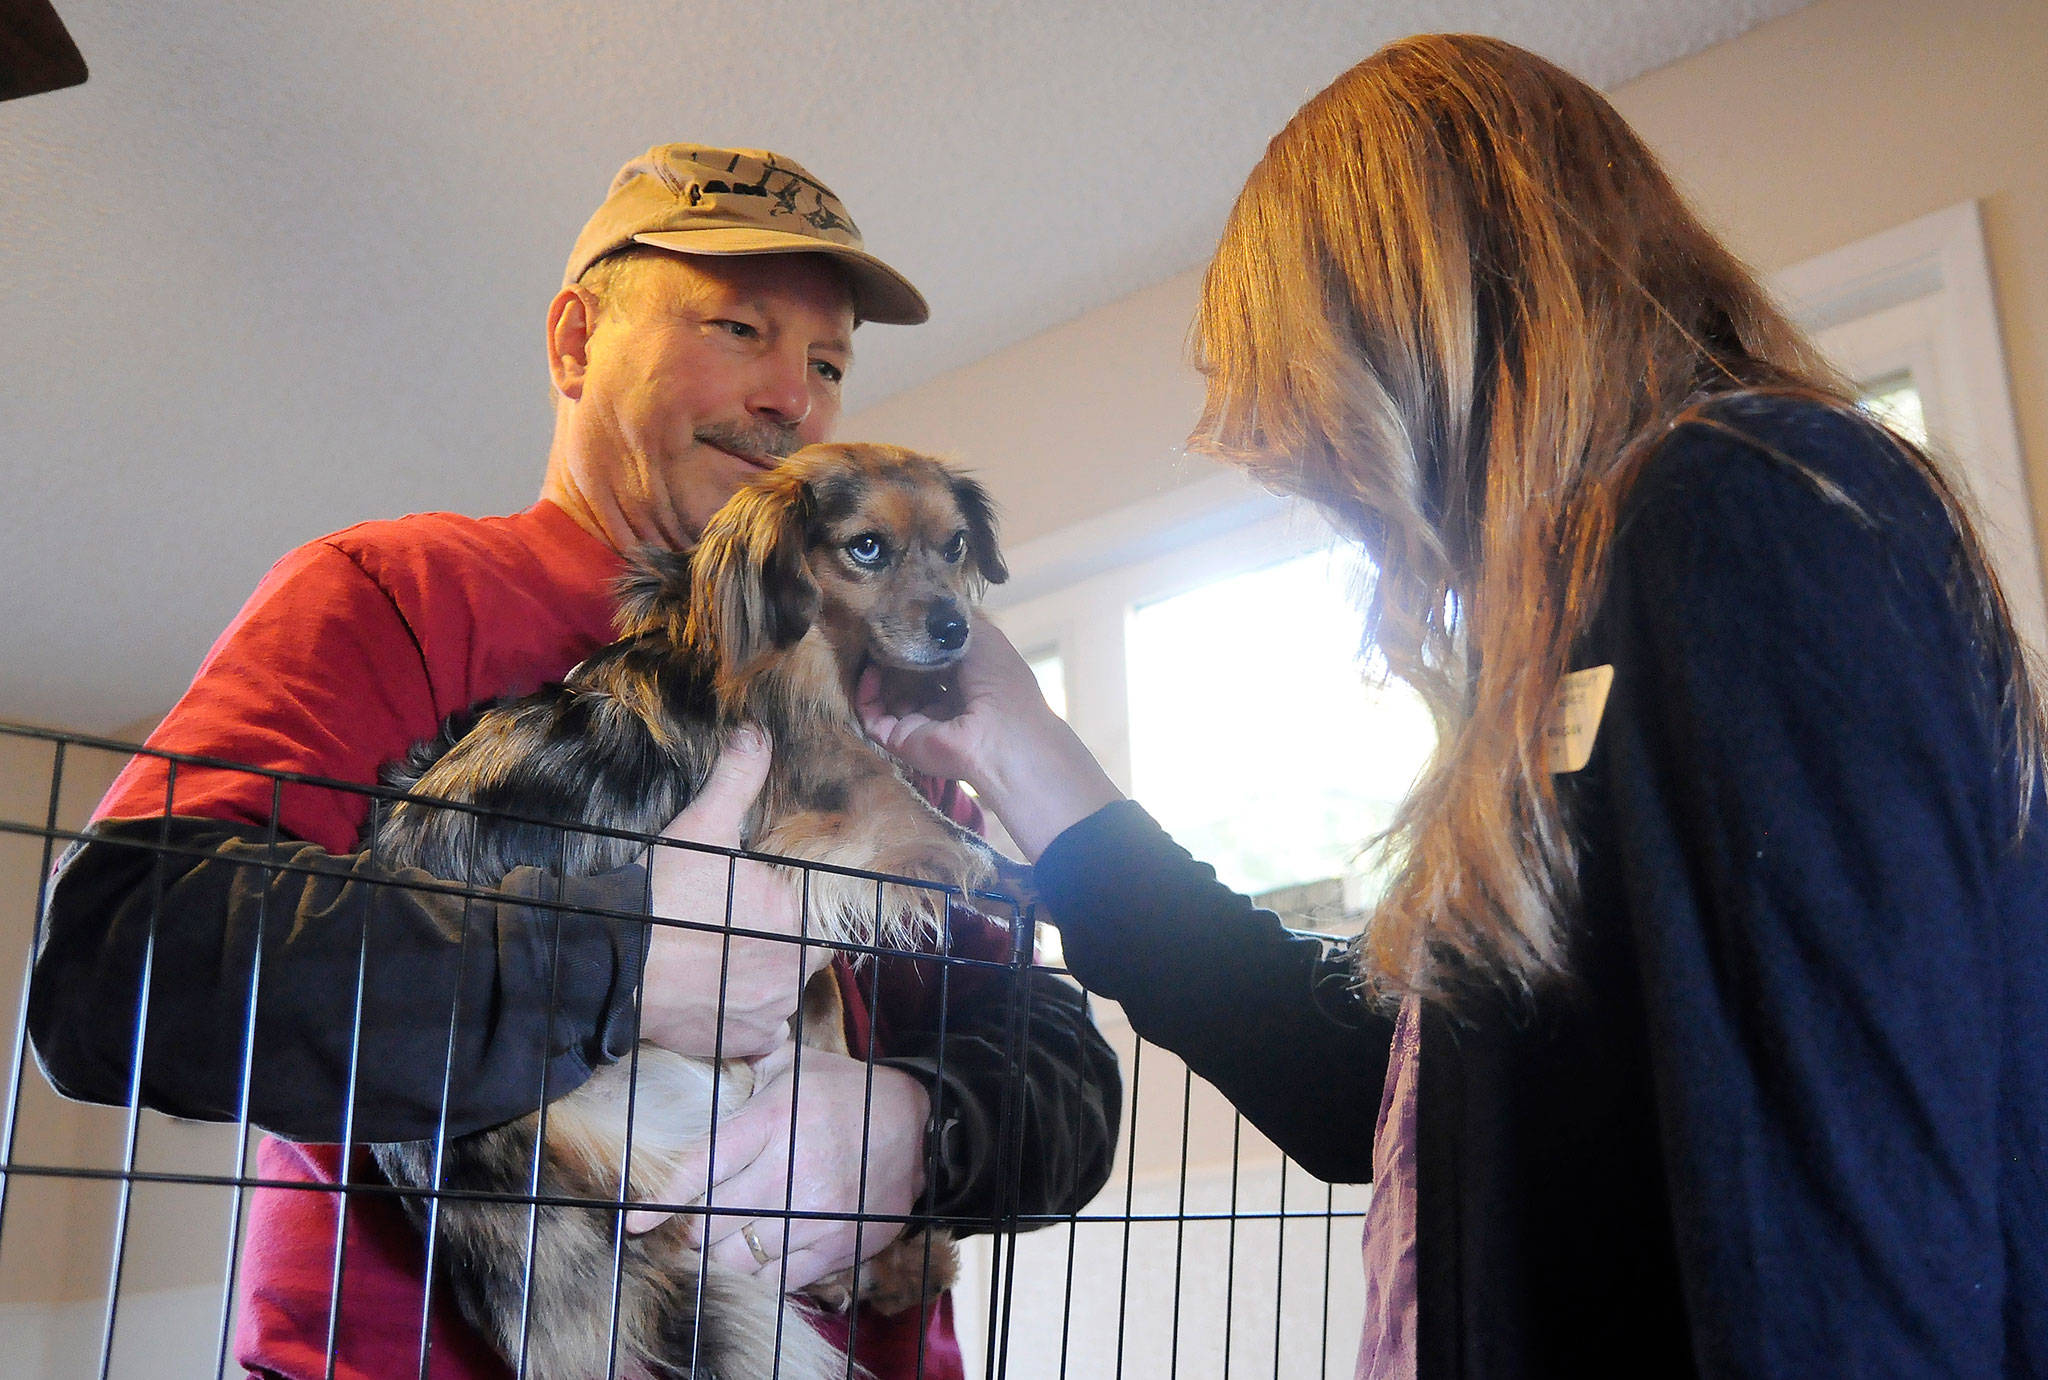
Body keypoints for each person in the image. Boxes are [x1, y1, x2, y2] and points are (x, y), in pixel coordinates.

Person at [858, 35, 2048, 1379]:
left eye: (1308, 409)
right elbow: (1384, 1087)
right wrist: (1024, 751)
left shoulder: (1746, 508)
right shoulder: (1581, 631)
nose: (1320, 484)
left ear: (1415, 321)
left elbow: (1862, 1197)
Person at [28, 144, 1118, 1380]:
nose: (792, 401)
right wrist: (621, 966)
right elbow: (116, 965)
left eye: (825, 365)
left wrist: (918, 1130)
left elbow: (1047, 1055)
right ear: (573, 342)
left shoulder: (876, 694)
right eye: (737, 327)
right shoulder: (390, 594)